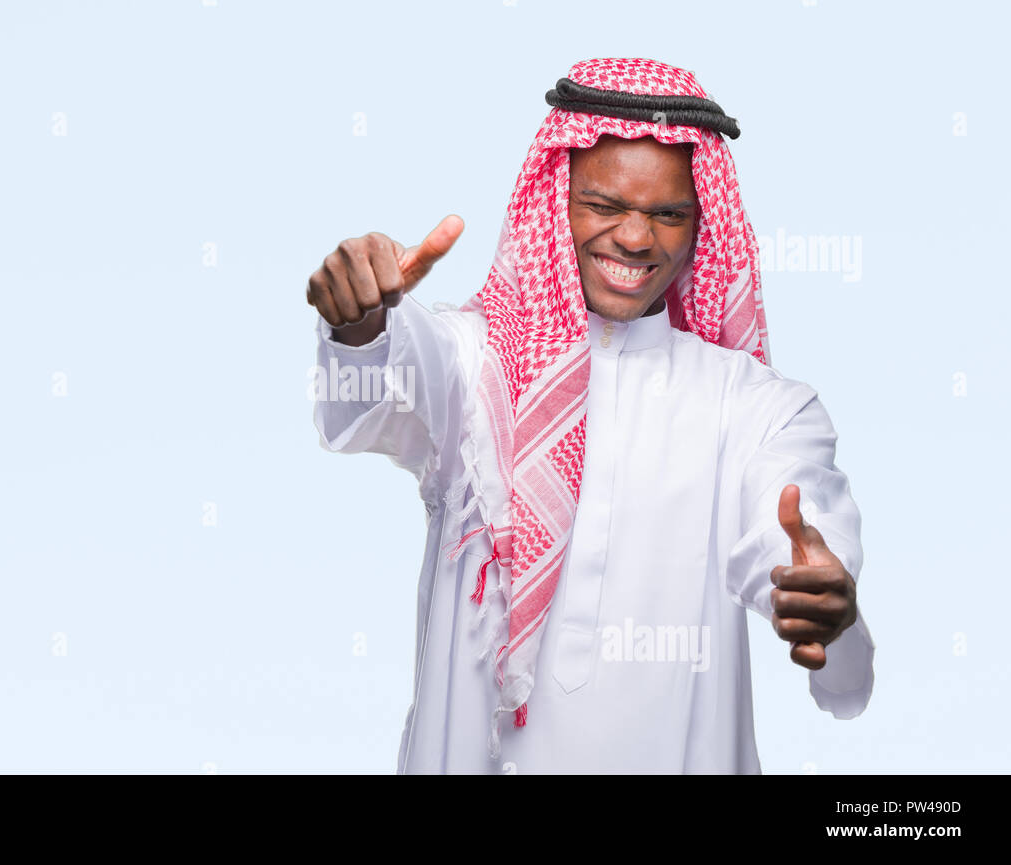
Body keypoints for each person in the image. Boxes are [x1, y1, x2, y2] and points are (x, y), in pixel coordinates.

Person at [305, 58, 874, 774]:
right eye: (603, 206)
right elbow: (368, 396)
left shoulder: (755, 406)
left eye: (667, 214)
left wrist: (822, 597)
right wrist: (359, 321)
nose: (636, 239)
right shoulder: (474, 361)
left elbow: (795, 545)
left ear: (701, 226)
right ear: (555, 202)